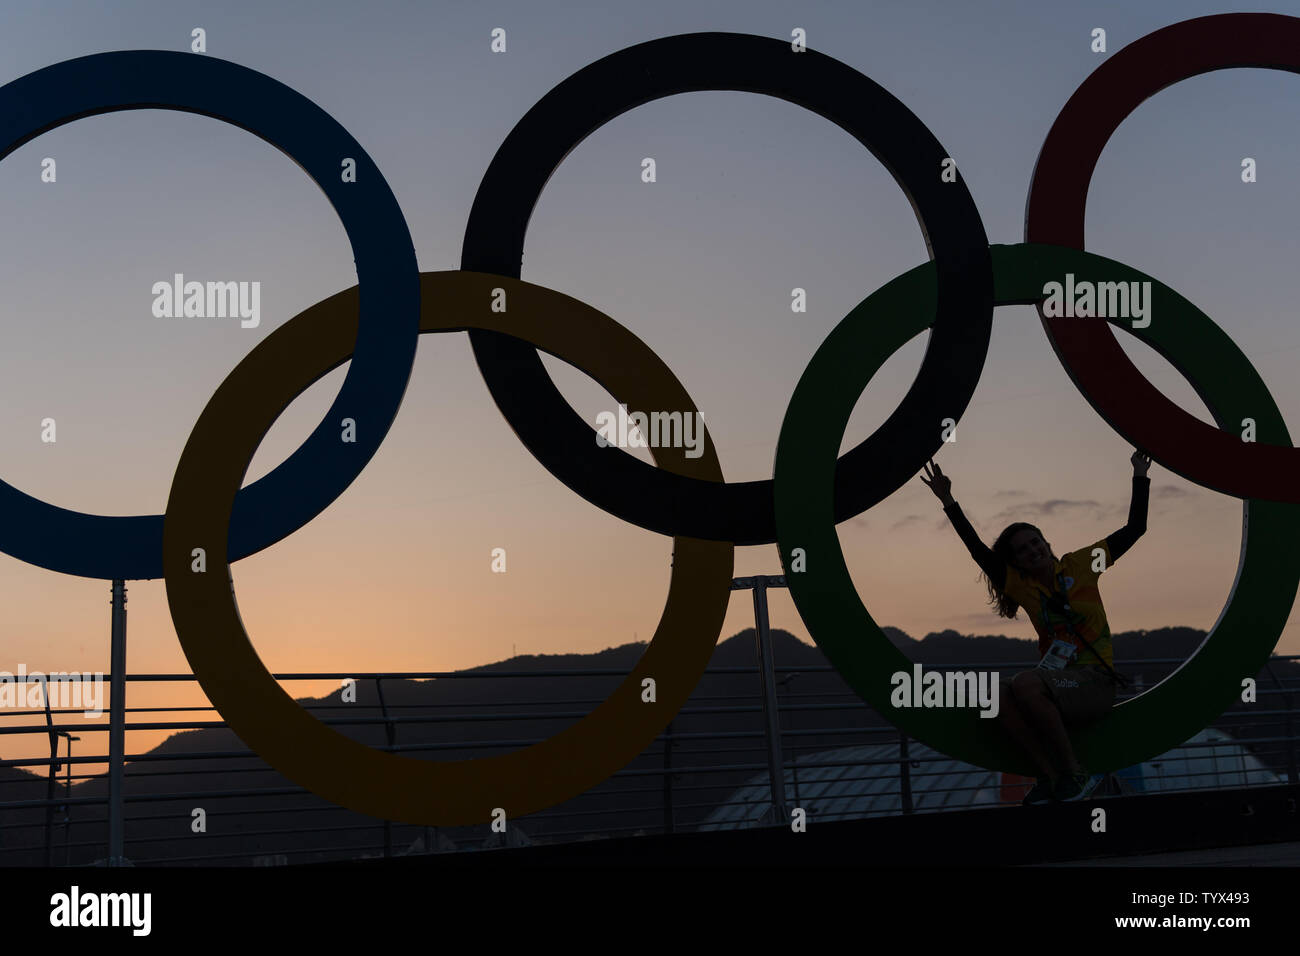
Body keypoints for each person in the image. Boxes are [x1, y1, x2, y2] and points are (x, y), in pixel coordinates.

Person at [920, 451, 1151, 804]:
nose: (1032, 551)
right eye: (1022, 550)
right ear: (1014, 562)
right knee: (995, 694)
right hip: (1054, 682)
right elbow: (977, 551)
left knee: (1026, 682)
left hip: (1094, 681)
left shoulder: (1083, 564)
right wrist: (948, 500)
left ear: (1047, 543)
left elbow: (1135, 529)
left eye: (1035, 542)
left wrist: (1139, 474)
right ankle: (1049, 777)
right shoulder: (1020, 585)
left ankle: (1076, 774)